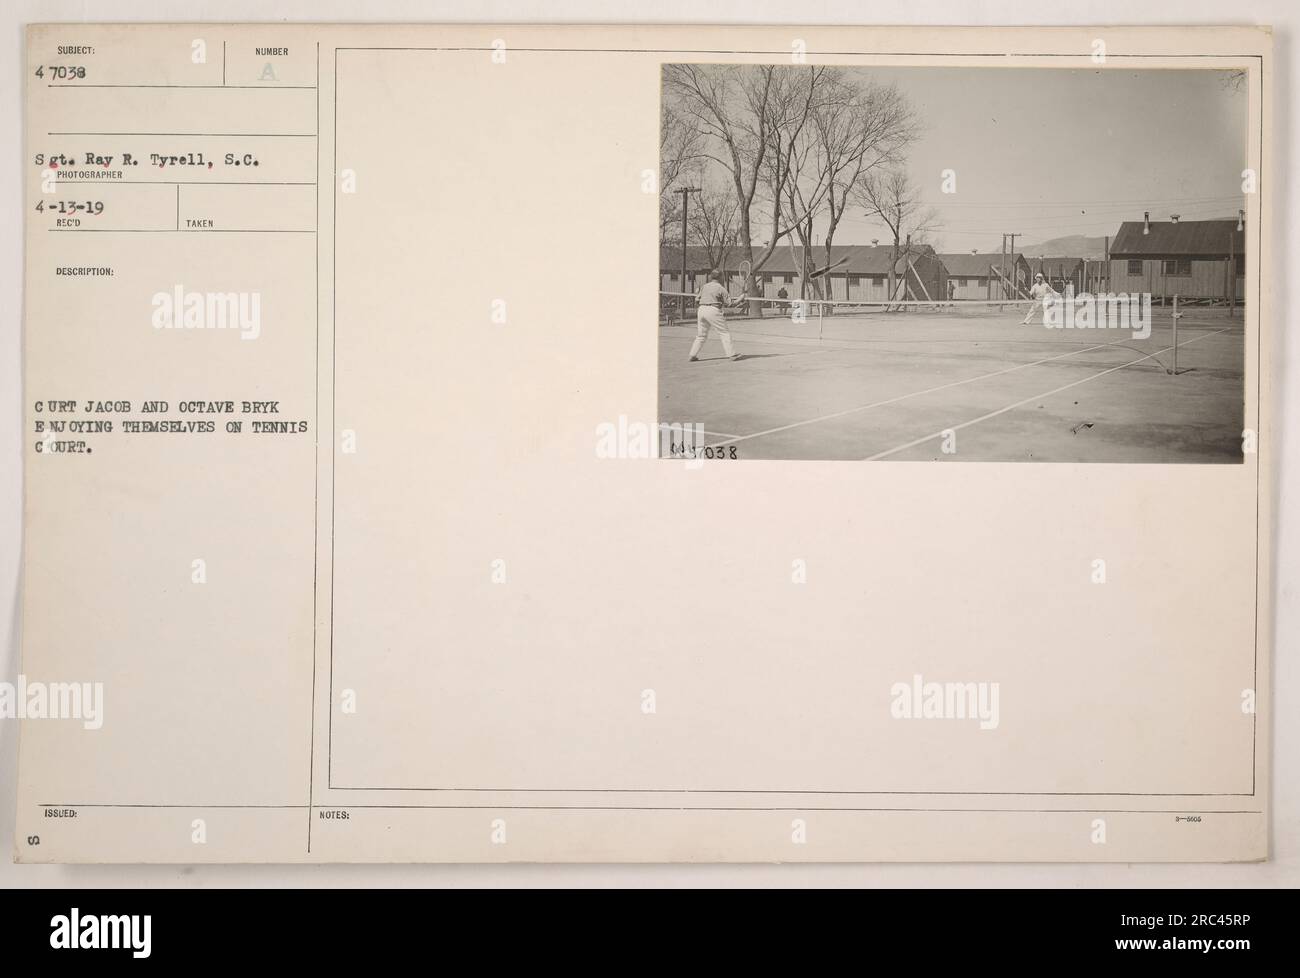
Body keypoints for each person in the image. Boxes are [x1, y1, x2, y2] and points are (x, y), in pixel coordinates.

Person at [689, 269, 745, 361]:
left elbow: (696, 300)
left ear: (711, 277)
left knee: (701, 335)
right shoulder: (721, 288)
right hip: (713, 310)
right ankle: (732, 355)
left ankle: (692, 355)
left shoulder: (704, 286)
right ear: (720, 277)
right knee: (724, 333)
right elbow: (730, 304)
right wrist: (740, 298)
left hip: (701, 310)